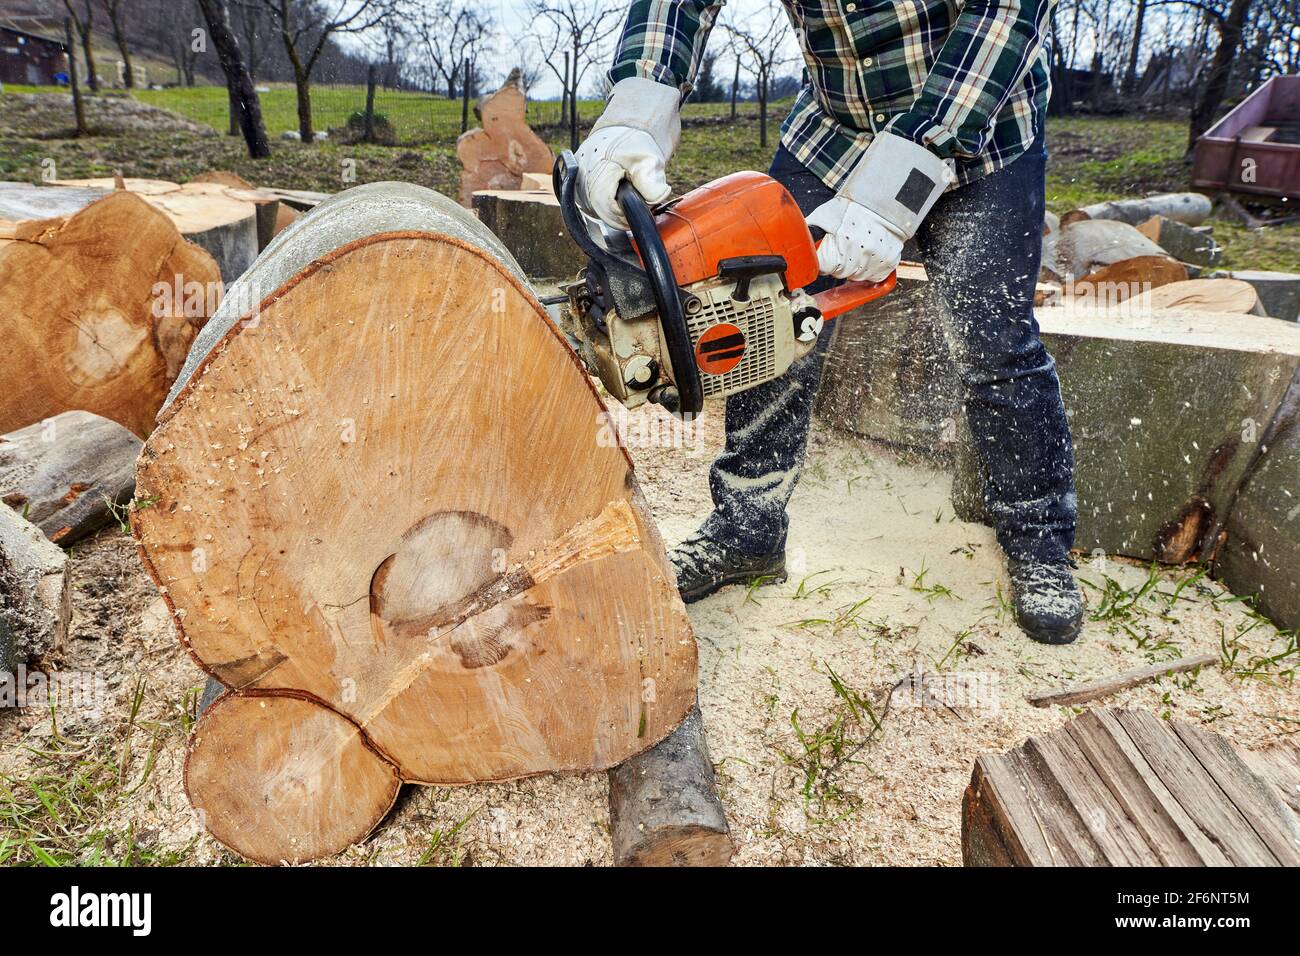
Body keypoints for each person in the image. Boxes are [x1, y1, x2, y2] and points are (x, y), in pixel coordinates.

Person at [574, 0, 1083, 645]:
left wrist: (905, 171)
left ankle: (1039, 541)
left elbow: (1003, 12)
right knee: (760, 309)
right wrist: (637, 107)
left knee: (993, 339)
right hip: (836, 132)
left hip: (984, 118)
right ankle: (747, 528)